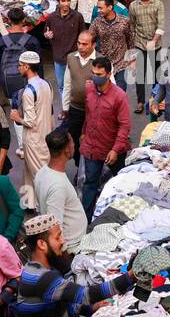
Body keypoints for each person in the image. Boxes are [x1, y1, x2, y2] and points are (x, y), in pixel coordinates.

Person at [80, 56, 131, 217]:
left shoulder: (119, 96)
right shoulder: (89, 89)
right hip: (92, 147)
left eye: (99, 74)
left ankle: (122, 217)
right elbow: (87, 114)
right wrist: (83, 133)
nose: (95, 77)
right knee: (90, 185)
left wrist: (115, 150)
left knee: (121, 184)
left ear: (109, 74)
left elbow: (125, 126)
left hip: (113, 148)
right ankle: (85, 223)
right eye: (93, 73)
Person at [33, 129, 88, 253]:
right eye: (72, 142)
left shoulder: (42, 173)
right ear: (67, 150)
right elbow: (55, 228)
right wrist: (63, 258)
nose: (74, 145)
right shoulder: (58, 185)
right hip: (72, 247)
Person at [12, 51, 53, 205]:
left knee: (39, 177)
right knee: (30, 172)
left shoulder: (29, 91)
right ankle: (29, 203)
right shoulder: (46, 84)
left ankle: (45, 209)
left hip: (34, 139)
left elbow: (30, 121)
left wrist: (17, 118)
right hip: (45, 136)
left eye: (20, 65)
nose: (18, 68)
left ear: (27, 66)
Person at [59, 30, 95, 166]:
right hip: (75, 109)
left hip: (94, 111)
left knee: (93, 140)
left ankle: (92, 169)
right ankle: (80, 167)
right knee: (74, 138)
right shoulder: (71, 58)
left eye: (85, 44)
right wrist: (65, 107)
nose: (80, 47)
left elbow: (111, 87)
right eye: (79, 43)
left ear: (93, 45)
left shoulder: (100, 61)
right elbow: (67, 83)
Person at [128, 0, 164, 113]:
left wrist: (154, 41)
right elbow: (132, 25)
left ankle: (154, 100)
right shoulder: (133, 5)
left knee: (156, 74)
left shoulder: (158, 4)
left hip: (156, 44)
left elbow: (161, 26)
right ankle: (141, 102)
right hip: (139, 43)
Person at [43, 0, 85, 94]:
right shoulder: (51, 18)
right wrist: (47, 35)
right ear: (58, 1)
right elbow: (46, 33)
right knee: (62, 86)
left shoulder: (78, 17)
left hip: (75, 57)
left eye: (68, 0)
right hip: (59, 58)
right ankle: (65, 109)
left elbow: (83, 35)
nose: (66, 4)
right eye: (63, 1)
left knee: (76, 85)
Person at [89, 0, 132, 92]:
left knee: (119, 93)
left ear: (110, 7)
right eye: (97, 8)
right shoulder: (97, 22)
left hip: (121, 65)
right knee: (104, 95)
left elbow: (131, 40)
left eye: (100, 8)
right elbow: (90, 39)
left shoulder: (124, 21)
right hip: (103, 66)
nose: (98, 10)